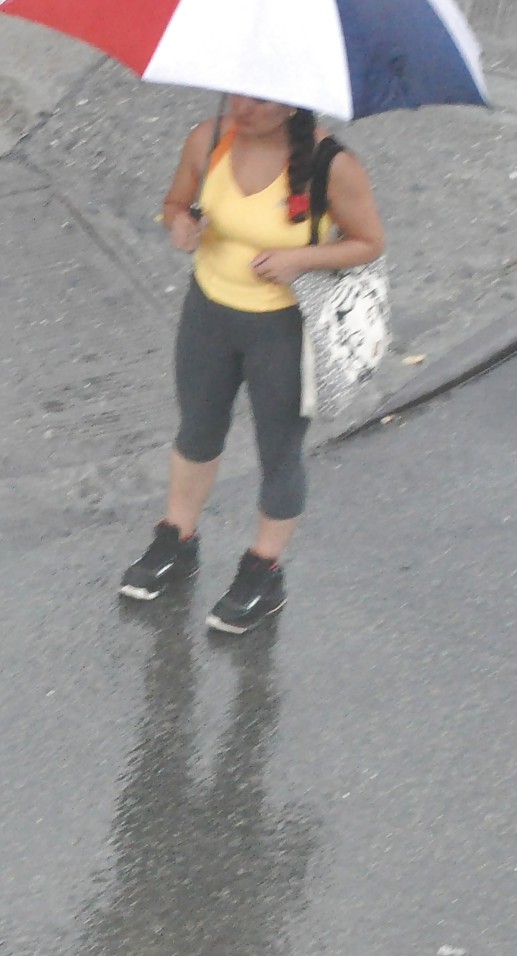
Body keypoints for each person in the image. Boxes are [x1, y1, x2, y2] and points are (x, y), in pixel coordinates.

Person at [119, 96, 385, 634]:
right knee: (196, 430)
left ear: (292, 105)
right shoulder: (208, 138)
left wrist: (300, 257)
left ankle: (264, 570)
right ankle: (178, 537)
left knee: (279, 450)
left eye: (261, 100)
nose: (244, 106)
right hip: (207, 315)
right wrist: (179, 224)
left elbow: (368, 243)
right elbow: (175, 203)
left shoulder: (333, 164)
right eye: (239, 91)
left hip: (283, 330)